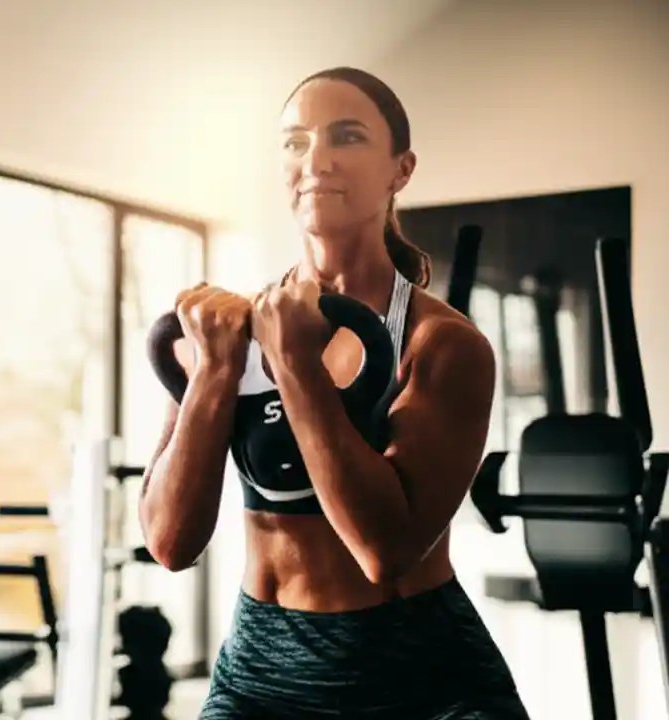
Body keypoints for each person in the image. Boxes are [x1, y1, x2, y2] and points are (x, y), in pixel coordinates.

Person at [139, 67, 531, 719]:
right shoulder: (230, 331)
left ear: (400, 170)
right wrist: (213, 372)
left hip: (423, 677)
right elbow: (171, 543)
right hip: (261, 667)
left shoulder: (443, 345)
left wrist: (296, 364)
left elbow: (385, 551)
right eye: (296, 142)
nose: (316, 158)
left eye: (345, 136)